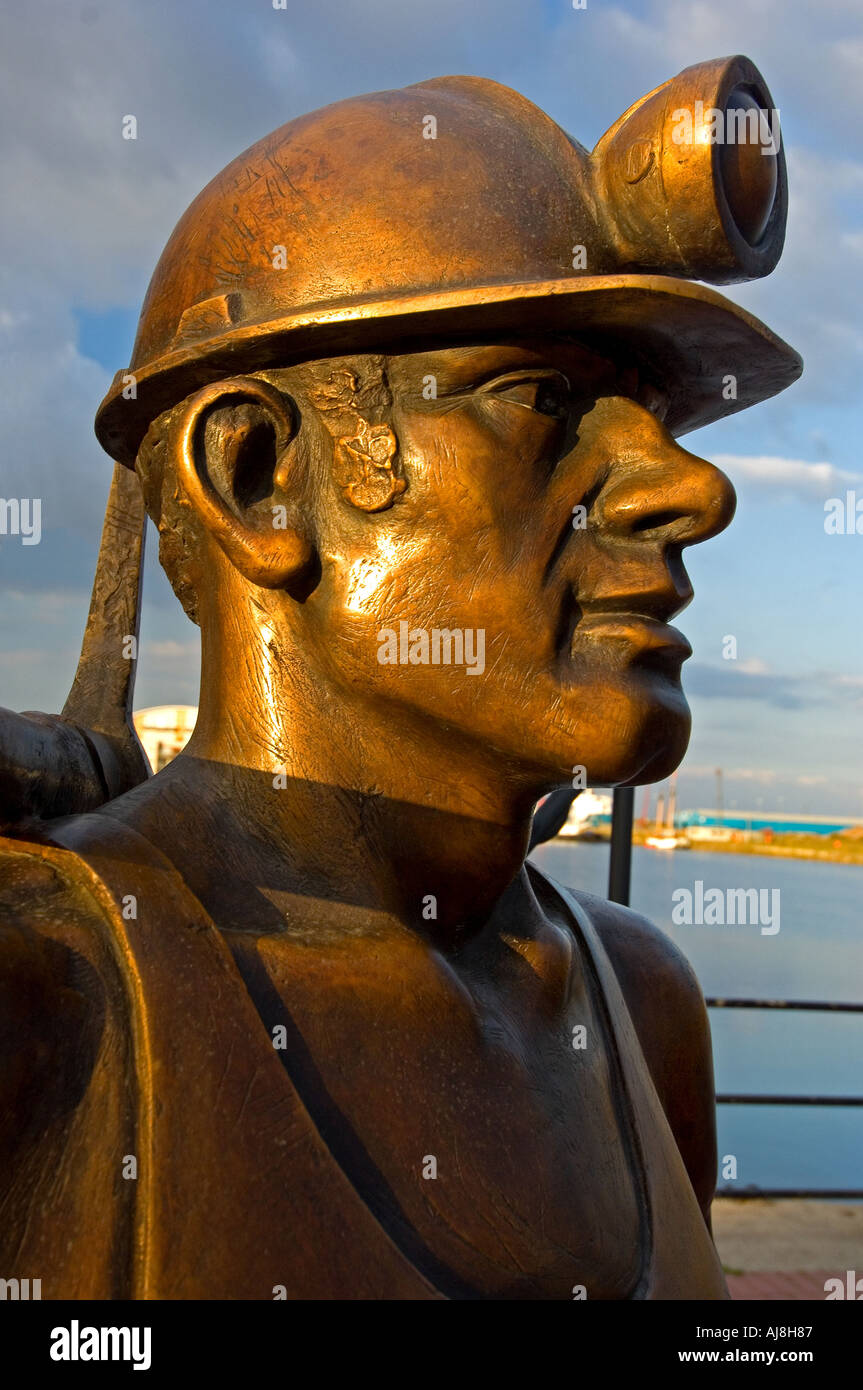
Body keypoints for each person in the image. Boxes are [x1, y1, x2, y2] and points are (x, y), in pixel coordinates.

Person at [0, 59, 801, 1300]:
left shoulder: (641, 1006)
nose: (689, 490)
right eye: (539, 397)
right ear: (258, 474)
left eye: (659, 419)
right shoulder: (51, 1001)